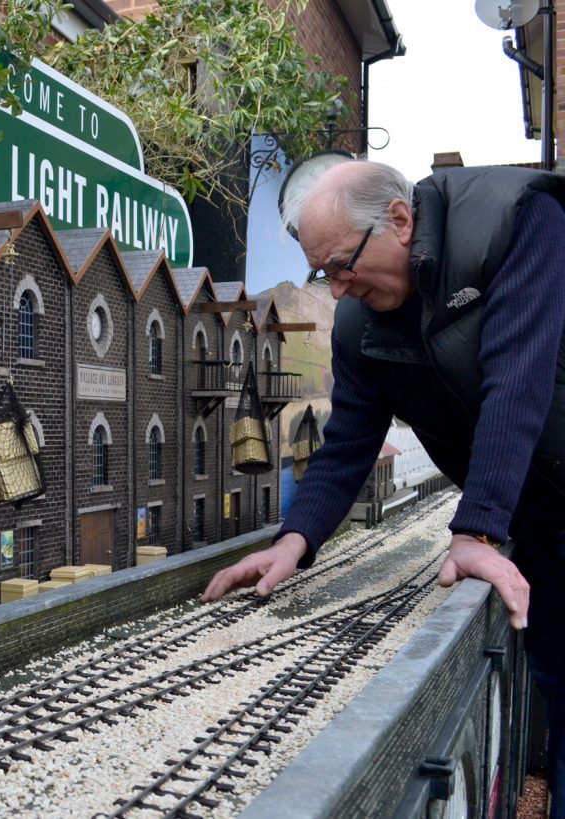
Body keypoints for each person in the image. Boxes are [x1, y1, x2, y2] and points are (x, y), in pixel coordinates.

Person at [201, 159, 565, 817]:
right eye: (323, 273)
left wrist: (476, 526)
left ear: (399, 220)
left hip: (535, 493)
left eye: (342, 265)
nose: (337, 290)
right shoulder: (360, 322)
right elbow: (349, 442)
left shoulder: (518, 222)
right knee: (557, 678)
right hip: (537, 512)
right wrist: (295, 540)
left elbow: (518, 379)